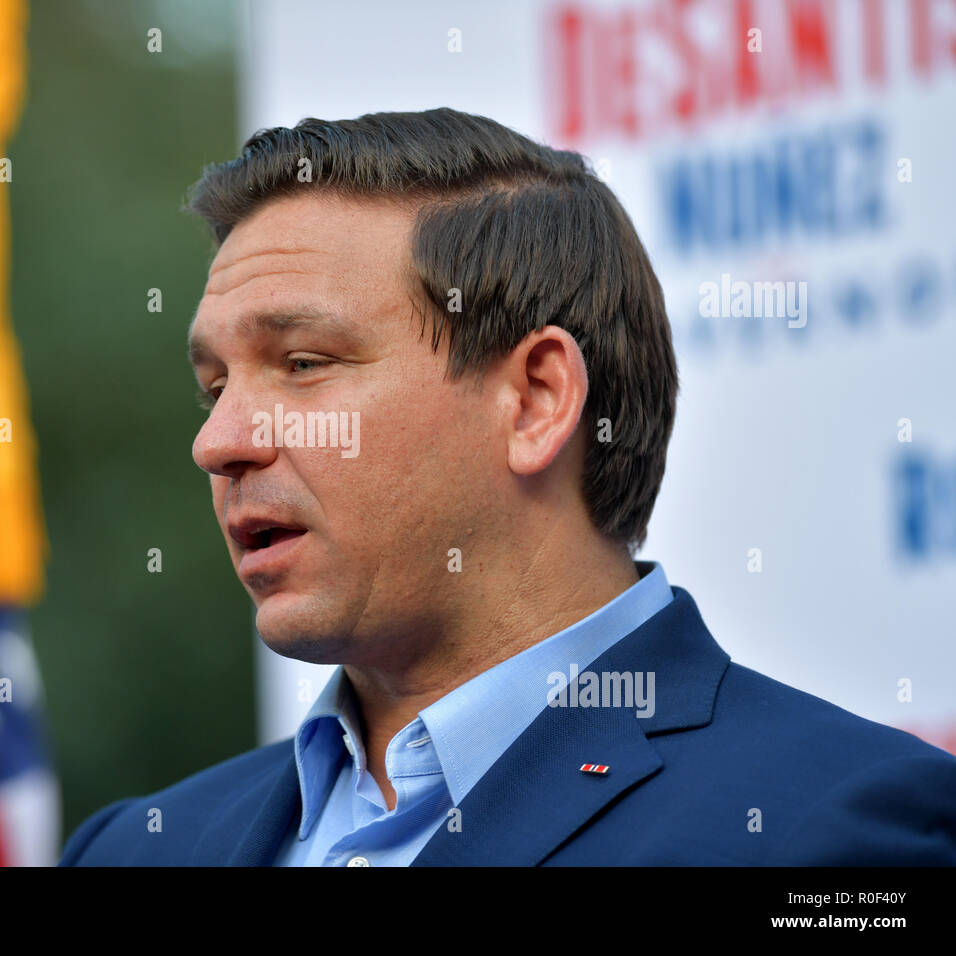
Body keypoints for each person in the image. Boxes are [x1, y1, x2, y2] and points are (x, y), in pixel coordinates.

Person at [61, 108, 956, 866]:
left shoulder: (837, 831)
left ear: (535, 400)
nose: (219, 443)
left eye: (303, 363)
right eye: (215, 388)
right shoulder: (133, 848)